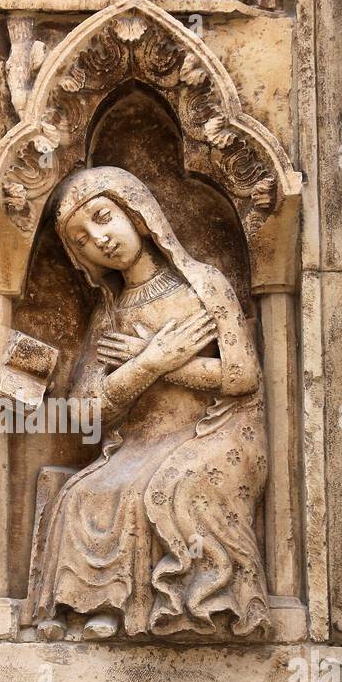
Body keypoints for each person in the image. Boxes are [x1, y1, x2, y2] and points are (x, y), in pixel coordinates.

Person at [33, 166, 271, 642]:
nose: (99, 239)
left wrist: (162, 363)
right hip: (140, 443)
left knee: (169, 487)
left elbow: (244, 376)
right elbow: (85, 413)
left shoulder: (203, 283)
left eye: (104, 218)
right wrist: (149, 364)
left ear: (137, 212)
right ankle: (102, 604)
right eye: (81, 240)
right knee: (85, 495)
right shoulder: (110, 313)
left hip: (213, 433)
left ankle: (199, 605)